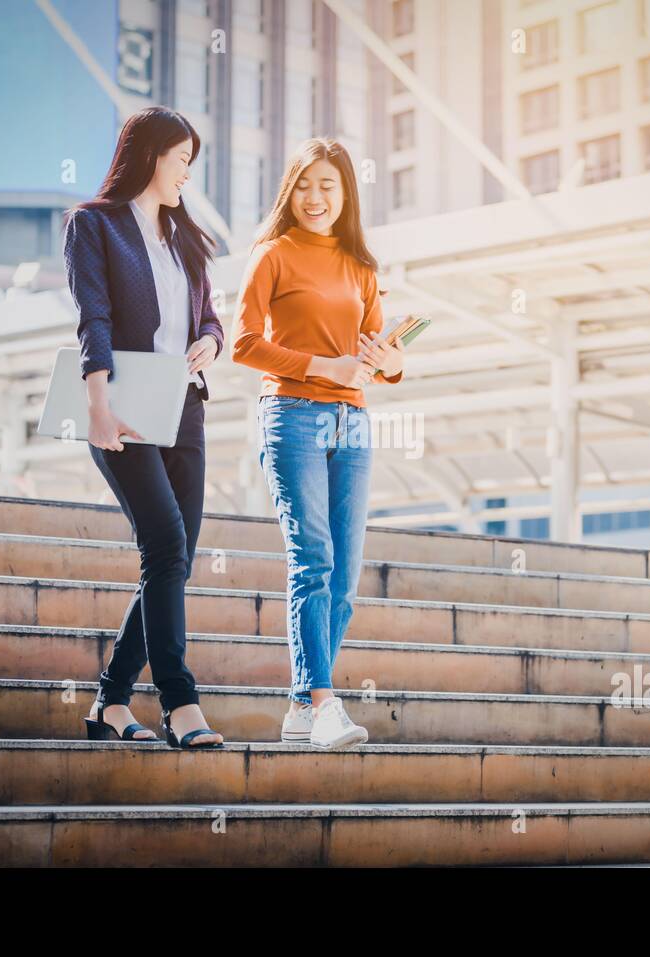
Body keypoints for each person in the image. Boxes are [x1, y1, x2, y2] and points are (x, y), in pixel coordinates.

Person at [232, 138, 405, 750]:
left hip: (353, 422)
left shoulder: (361, 265)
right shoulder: (273, 255)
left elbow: (376, 350)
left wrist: (389, 359)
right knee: (314, 560)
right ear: (290, 191)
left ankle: (302, 704)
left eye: (328, 185)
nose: (315, 197)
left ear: (346, 194)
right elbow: (243, 344)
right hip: (292, 414)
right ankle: (327, 705)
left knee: (346, 579)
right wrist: (320, 368)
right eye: (304, 185)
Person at [63, 106, 224, 749]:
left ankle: (110, 702)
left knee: (173, 558)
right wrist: (97, 405)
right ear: (151, 154)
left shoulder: (187, 235)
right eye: (181, 158)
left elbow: (210, 318)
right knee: (163, 545)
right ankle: (180, 704)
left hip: (184, 408)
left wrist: (212, 342)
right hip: (124, 405)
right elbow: (93, 317)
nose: (187, 171)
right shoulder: (94, 225)